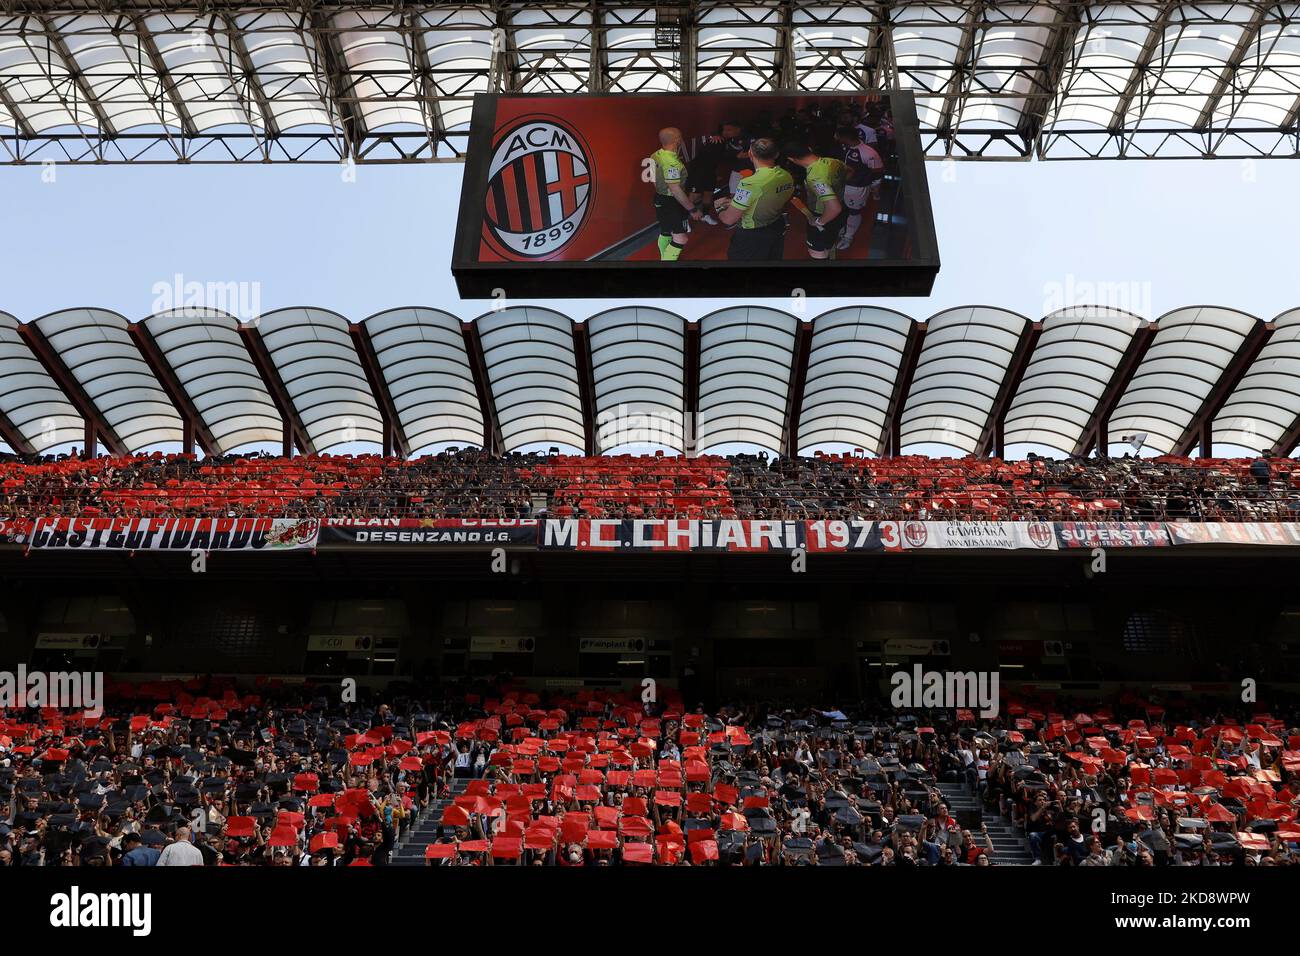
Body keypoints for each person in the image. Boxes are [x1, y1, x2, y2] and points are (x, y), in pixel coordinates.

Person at [713, 138, 794, 260]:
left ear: (750, 154)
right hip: (776, 227)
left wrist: (719, 207)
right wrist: (735, 202)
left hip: (752, 236)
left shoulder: (749, 184)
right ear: (776, 154)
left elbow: (728, 219)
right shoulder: (786, 175)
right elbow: (769, 197)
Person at [783, 141, 848, 259]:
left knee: (817, 253)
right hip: (841, 209)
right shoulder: (833, 161)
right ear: (809, 148)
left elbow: (834, 208)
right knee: (829, 243)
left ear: (791, 159)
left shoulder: (815, 177)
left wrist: (818, 222)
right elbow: (850, 171)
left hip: (823, 214)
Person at [649, 127, 702, 261]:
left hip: (660, 199)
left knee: (666, 232)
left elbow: (653, 179)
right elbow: (675, 189)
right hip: (670, 202)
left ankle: (664, 257)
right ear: (677, 140)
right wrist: (692, 209)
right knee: (681, 238)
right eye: (681, 137)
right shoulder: (671, 163)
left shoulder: (655, 154)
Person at [834, 124, 884, 251]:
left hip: (857, 187)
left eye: (838, 135)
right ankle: (842, 228)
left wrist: (875, 188)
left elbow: (877, 171)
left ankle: (848, 237)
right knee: (842, 208)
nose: (835, 137)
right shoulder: (843, 147)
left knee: (854, 211)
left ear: (845, 137)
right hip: (842, 185)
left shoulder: (868, 153)